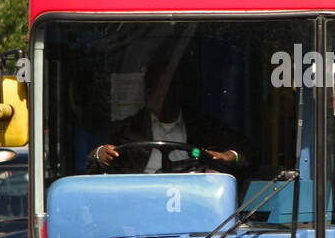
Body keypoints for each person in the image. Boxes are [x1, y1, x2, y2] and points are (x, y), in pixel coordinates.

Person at [87, 59, 252, 174]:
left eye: (164, 89)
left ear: (177, 91)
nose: (157, 96)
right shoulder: (127, 130)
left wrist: (231, 155)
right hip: (140, 202)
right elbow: (96, 164)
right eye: (151, 89)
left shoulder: (203, 126)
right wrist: (99, 154)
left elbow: (247, 153)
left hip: (192, 201)